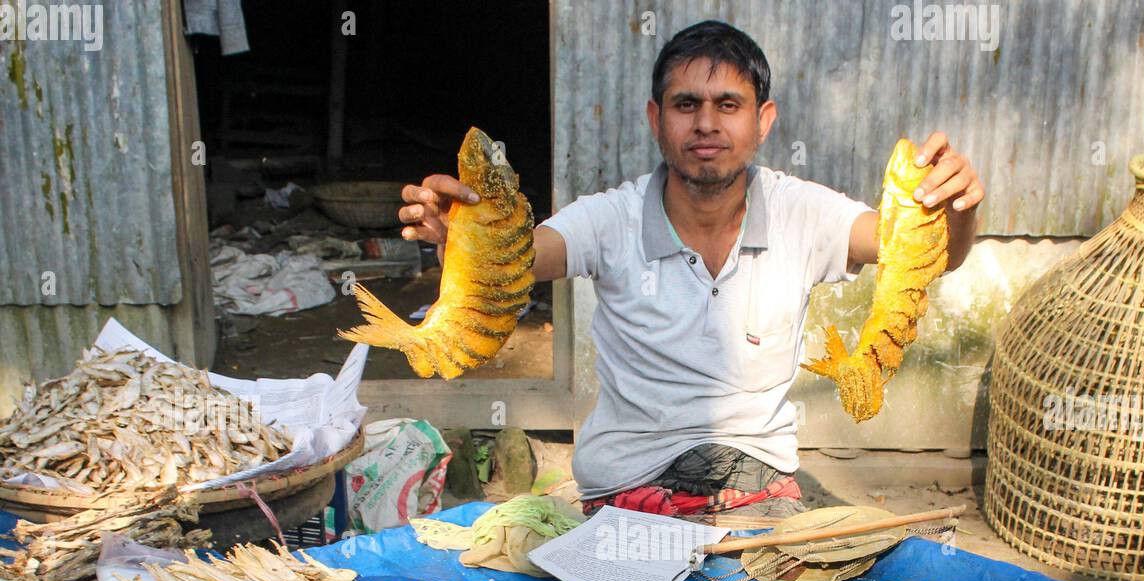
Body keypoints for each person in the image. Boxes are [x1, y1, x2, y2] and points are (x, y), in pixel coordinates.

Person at [398, 20, 984, 520]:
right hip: (626, 488)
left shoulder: (802, 211)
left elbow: (921, 253)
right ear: (657, 119)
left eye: (728, 105)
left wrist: (957, 209)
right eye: (687, 105)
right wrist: (464, 240)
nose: (706, 124)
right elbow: (523, 261)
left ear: (764, 120)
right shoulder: (610, 218)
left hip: (759, 492)